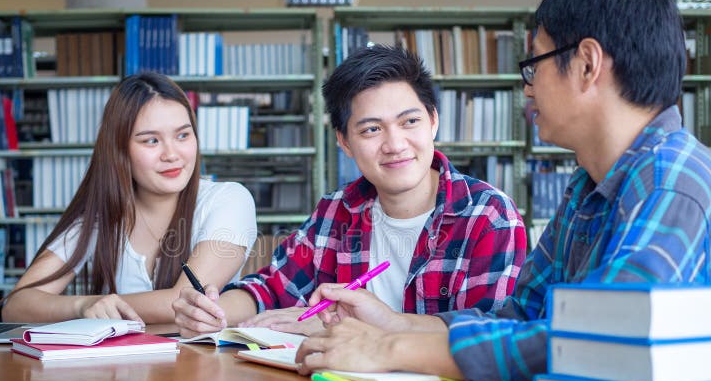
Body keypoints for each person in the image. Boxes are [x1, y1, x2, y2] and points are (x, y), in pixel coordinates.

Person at [296, 0, 711, 381]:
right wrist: (392, 325)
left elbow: (608, 340)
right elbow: (519, 317)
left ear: (587, 64)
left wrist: (387, 349)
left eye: (535, 66)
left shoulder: (670, 181)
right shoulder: (587, 185)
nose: (528, 89)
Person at [173, 45, 527, 338]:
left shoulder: (488, 215)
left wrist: (346, 327)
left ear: (433, 120)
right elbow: (271, 289)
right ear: (344, 141)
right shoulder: (337, 210)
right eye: (372, 129)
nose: (395, 144)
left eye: (410, 122)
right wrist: (215, 313)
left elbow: (490, 331)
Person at [3, 72, 257, 324]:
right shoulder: (101, 217)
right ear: (119, 150)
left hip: (202, 362)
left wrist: (106, 304)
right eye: (151, 140)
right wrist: (83, 304)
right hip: (122, 364)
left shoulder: (229, 200)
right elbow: (16, 305)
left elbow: (182, 303)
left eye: (182, 135)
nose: (171, 154)